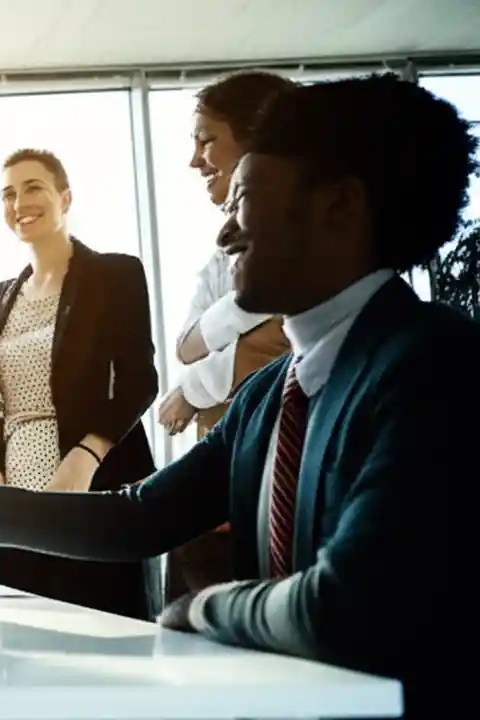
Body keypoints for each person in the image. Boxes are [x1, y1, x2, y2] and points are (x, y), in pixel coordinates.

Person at [0, 75, 479, 718]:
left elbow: (346, 606)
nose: (226, 235)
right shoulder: (264, 400)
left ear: (339, 207)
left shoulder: (434, 366)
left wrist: (202, 607)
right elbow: (136, 517)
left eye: (244, 200)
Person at [0, 148, 158, 618]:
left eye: (33, 188)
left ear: (64, 197)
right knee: (20, 645)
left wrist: (84, 459)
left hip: (93, 485)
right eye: (8, 193)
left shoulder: (116, 274)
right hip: (17, 508)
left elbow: (139, 381)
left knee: (106, 633)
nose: (19, 202)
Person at [155, 71, 296, 600]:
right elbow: (187, 342)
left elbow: (280, 342)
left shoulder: (321, 266)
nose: (195, 160)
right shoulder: (221, 253)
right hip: (223, 483)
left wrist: (194, 387)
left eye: (206, 139)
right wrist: (246, 309)